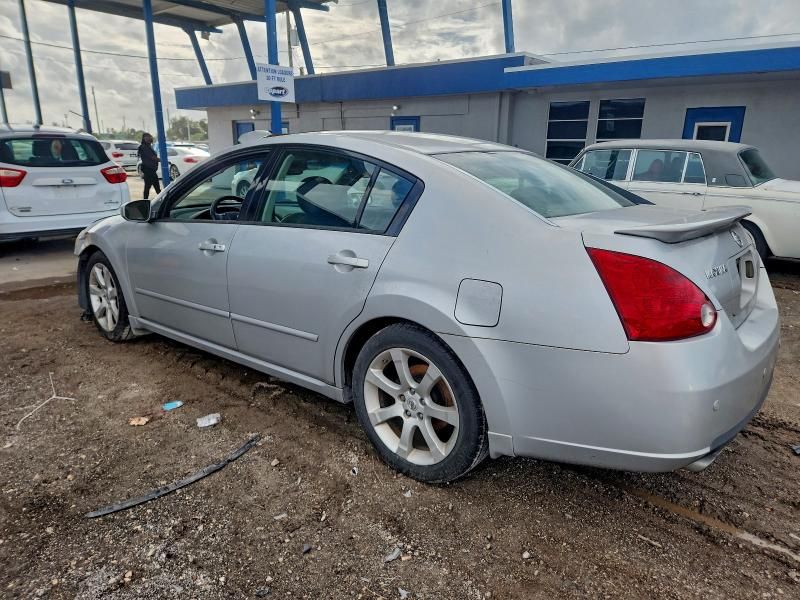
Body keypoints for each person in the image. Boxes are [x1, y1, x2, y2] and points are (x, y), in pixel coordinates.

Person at [138, 133, 161, 199]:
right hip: (148, 170)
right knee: (149, 187)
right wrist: (161, 160)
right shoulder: (144, 147)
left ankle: (161, 199)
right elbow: (152, 157)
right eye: (147, 137)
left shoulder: (149, 146)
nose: (149, 139)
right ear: (144, 139)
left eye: (150, 137)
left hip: (151, 170)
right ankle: (145, 201)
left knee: (154, 187)